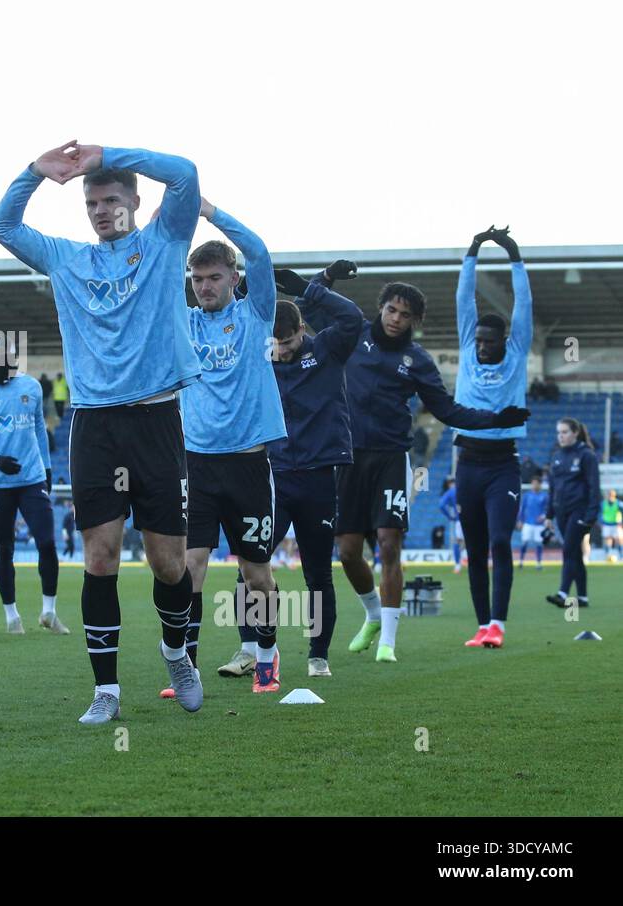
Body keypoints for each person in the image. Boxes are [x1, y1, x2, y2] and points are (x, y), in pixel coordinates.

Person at [0, 140, 201, 724]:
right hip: (96, 424)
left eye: (111, 199)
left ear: (135, 200)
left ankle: (177, 652)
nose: (101, 210)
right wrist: (35, 172)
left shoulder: (163, 241)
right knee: (100, 557)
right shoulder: (65, 259)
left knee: (168, 565)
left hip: (157, 419)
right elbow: (0, 224)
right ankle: (106, 689)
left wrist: (110, 151)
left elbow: (185, 175)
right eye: (91, 202)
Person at [338, 281, 529, 663]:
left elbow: (447, 410)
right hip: (348, 458)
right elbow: (313, 311)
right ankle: (373, 614)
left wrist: (495, 419)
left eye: (406, 314)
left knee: (390, 543)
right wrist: (323, 279)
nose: (396, 319)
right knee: (347, 553)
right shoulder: (352, 334)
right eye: (391, 310)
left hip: (392, 457)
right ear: (381, 308)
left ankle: (388, 642)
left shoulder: (418, 359)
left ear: (416, 321)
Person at [219, 259, 361, 681]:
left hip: (318, 476)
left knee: (317, 571)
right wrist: (249, 285)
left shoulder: (328, 350)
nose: (279, 350)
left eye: (287, 341)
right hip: (270, 477)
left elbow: (352, 317)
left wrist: (308, 287)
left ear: (303, 330)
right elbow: (230, 314)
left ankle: (318, 655)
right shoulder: (257, 351)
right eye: (274, 343)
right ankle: (250, 650)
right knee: (251, 564)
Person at [172, 200, 287, 701]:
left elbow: (260, 253)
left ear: (233, 278)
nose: (204, 286)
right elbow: (154, 274)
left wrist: (208, 211)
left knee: (255, 573)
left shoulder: (256, 315)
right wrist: (172, 225)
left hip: (248, 463)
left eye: (214, 277)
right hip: (196, 464)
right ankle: (187, 670)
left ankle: (266, 658)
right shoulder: (183, 323)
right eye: (197, 278)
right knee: (188, 568)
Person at [454, 227, 533, 649]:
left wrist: (512, 253)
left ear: (504, 338)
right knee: (475, 546)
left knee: (500, 540)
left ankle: (499, 623)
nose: (482, 346)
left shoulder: (518, 347)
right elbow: (464, 300)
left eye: (489, 340)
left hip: (503, 462)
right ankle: (482, 625)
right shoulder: (468, 343)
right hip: (467, 462)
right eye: (479, 340)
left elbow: (525, 304)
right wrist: (473, 249)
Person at [0, 337, 69, 635]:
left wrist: (47, 468)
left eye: (3, 359)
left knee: (47, 542)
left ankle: (49, 612)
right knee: (4, 548)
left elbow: (39, 429)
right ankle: (12, 616)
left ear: (13, 359)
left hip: (32, 478)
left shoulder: (31, 387)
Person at [547, 418, 598, 608]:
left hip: (580, 511)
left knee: (568, 550)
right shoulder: (557, 456)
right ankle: (582, 598)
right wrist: (549, 515)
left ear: (575, 433)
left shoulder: (587, 455)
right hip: (561, 512)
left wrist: (591, 514)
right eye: (559, 432)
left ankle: (563, 593)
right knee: (575, 554)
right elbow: (552, 488)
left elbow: (594, 487)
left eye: (565, 432)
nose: (561, 436)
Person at [517, 475, 549, 569]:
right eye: (533, 483)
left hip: (539, 525)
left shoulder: (545, 496)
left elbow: (548, 509)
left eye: (536, 483)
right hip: (528, 523)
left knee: (539, 543)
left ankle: (538, 563)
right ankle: (521, 561)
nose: (534, 485)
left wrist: (543, 516)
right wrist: (520, 520)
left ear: (540, 484)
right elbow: (522, 509)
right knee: (524, 542)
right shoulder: (527, 495)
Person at [439, 478, 463, 573]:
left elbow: (441, 505)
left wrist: (449, 516)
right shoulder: (468, 487)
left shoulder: (451, 492)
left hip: (460, 520)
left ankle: (457, 566)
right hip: (476, 518)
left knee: (458, 542)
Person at [601, 489, 620, 562]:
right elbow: (600, 514)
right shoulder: (603, 503)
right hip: (606, 524)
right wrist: (601, 522)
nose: (610, 497)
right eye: (609, 495)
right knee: (608, 540)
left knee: (619, 539)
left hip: (616, 524)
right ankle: (607, 556)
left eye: (612, 495)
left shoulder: (618, 503)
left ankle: (621, 556)